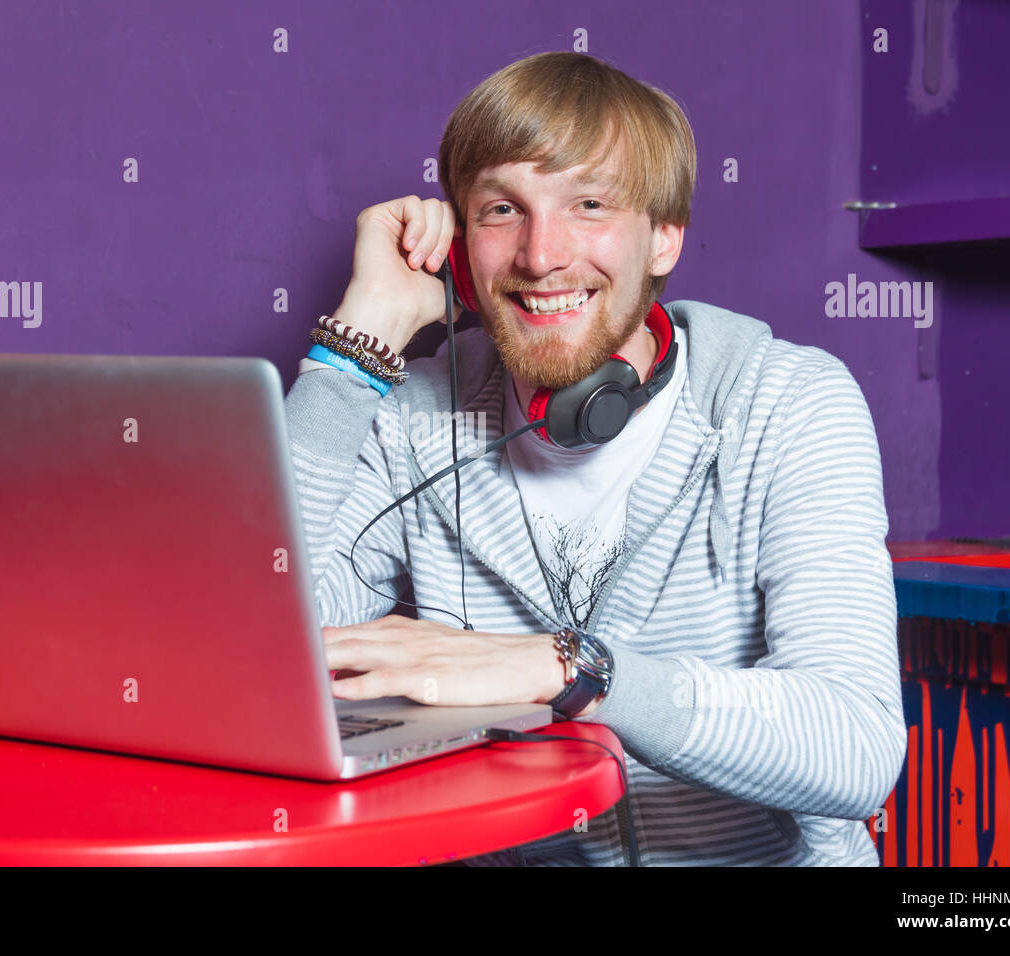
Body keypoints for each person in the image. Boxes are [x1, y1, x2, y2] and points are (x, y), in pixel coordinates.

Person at [283, 51, 906, 865]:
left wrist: (568, 671)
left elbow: (854, 747)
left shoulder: (788, 404)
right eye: (503, 209)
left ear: (664, 239)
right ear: (462, 248)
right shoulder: (411, 423)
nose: (542, 256)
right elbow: (249, 641)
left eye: (589, 203)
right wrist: (357, 349)